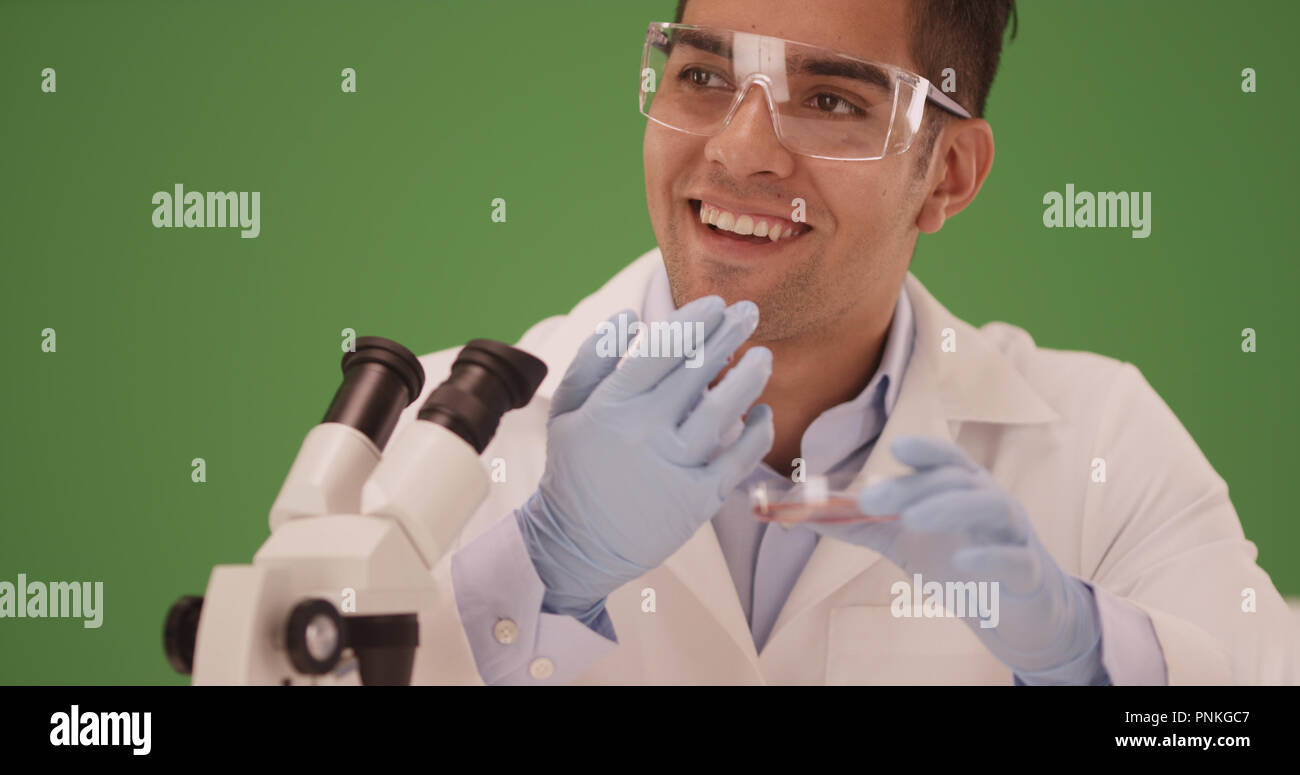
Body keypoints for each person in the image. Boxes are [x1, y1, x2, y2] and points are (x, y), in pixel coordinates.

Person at [401, 0, 1297, 685]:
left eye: (830, 99)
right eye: (704, 79)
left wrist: (1082, 653)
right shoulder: (434, 432)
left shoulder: (1105, 443)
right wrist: (540, 569)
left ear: (946, 175)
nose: (740, 151)